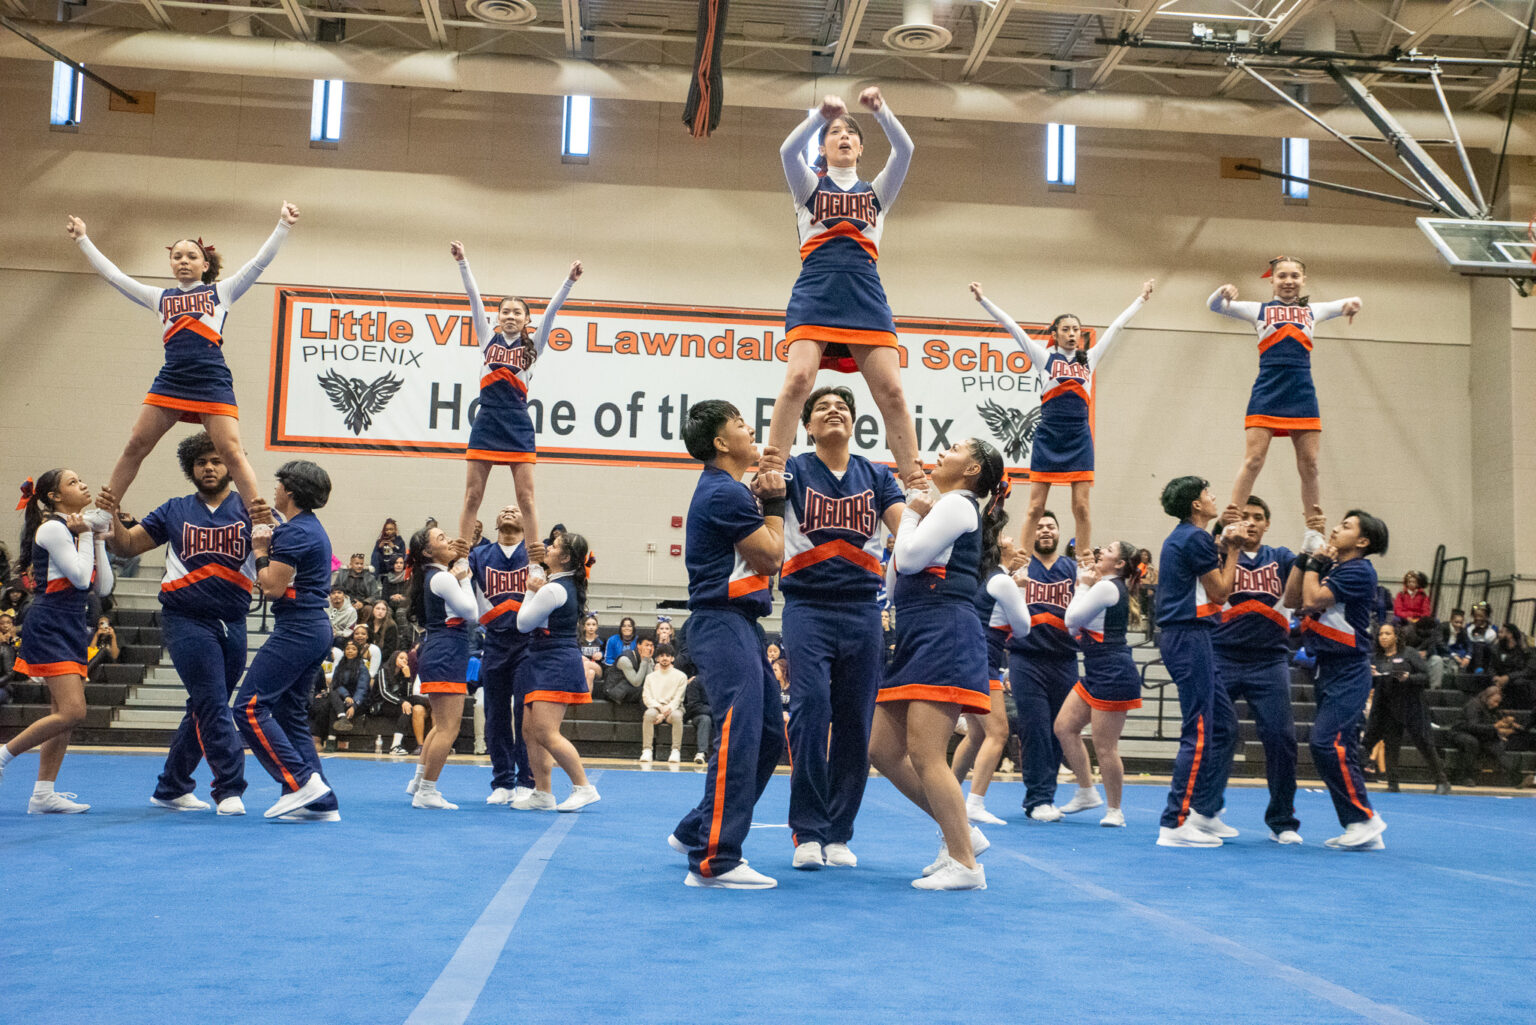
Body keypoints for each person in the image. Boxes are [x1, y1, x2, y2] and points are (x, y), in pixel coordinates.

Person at [65, 203, 299, 511]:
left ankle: (260, 519)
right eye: (177, 257)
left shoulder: (222, 292)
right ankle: (105, 512)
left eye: (191, 256)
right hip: (172, 380)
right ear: (171, 264)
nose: (184, 261)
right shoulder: (159, 298)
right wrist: (83, 239)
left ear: (205, 264)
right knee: (136, 444)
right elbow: (114, 276)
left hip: (211, 380)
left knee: (231, 452)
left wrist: (283, 225)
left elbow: (258, 264)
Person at [760, 87, 924, 499]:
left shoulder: (877, 193)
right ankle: (771, 466)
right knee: (798, 378)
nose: (844, 137)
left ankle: (916, 479)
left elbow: (905, 150)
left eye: (851, 133)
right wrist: (819, 114)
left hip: (865, 293)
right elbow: (785, 151)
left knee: (892, 391)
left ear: (861, 147)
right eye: (834, 133)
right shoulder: (807, 188)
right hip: (816, 289)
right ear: (825, 145)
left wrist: (881, 110)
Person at [870, 438, 1008, 890]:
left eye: (954, 448)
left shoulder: (959, 505)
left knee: (927, 754)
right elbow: (894, 580)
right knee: (883, 751)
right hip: (916, 632)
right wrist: (915, 513)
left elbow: (907, 558)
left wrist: (912, 509)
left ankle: (966, 864)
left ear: (972, 470)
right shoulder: (944, 508)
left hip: (944, 633)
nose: (943, 452)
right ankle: (961, 834)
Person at [780, 386, 907, 871]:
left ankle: (839, 832)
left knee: (856, 720)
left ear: (855, 424)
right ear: (808, 425)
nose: (834, 412)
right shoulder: (792, 470)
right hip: (807, 606)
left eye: (843, 408)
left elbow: (905, 528)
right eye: (822, 409)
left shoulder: (876, 475)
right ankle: (807, 830)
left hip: (861, 608)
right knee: (811, 709)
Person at [96, 432, 252, 815]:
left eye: (217, 460)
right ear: (190, 469)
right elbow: (127, 546)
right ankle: (229, 788)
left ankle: (172, 787)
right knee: (214, 702)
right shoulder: (175, 509)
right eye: (201, 462)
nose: (209, 467)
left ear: (232, 465)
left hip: (233, 618)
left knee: (204, 705)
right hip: (186, 619)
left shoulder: (250, 510)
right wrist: (112, 516)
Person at [668, 400, 786, 889]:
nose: (752, 429)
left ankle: (697, 827)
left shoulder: (732, 491)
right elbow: (772, 556)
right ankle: (714, 859)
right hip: (721, 621)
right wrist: (774, 505)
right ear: (720, 443)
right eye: (741, 424)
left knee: (768, 736)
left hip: (741, 623)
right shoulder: (723, 494)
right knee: (739, 733)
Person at [970, 278, 1153, 560]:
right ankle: (1023, 559)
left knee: (1081, 507)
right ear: (1055, 334)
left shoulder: (1089, 359)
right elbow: (1013, 328)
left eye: (1076, 330)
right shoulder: (1044, 358)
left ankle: (1083, 562)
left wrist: (1140, 299)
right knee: (1035, 507)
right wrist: (983, 300)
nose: (1071, 334)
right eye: (1065, 329)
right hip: (1049, 437)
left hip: (1079, 437)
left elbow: (1116, 328)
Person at [450, 241, 582, 562]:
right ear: (498, 317)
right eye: (505, 311)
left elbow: (552, 312)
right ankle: (461, 560)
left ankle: (536, 564)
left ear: (526, 319)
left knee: (526, 498)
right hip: (487, 420)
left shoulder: (534, 345)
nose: (510, 316)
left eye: (517, 312)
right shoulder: (487, 337)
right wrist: (463, 261)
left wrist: (569, 281)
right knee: (472, 496)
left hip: (518, 422)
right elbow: (473, 299)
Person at [1207, 257, 1362, 520]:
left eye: (1294, 276)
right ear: (1272, 280)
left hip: (1301, 389)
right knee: (1253, 460)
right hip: (1268, 387)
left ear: (1303, 280)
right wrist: (1222, 291)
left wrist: (1352, 305)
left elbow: (1354, 300)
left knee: (1310, 465)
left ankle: (1313, 529)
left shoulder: (1314, 310)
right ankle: (1232, 521)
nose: (1288, 281)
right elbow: (1215, 306)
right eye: (1282, 276)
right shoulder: (1258, 309)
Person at [0, 470, 113, 813]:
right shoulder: (52, 528)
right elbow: (79, 579)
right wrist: (82, 536)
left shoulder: (76, 531)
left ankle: (43, 794)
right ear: (55, 497)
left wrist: (97, 540)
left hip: (70, 625)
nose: (83, 484)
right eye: (73, 482)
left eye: (81, 479)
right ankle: (3, 755)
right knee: (73, 711)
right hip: (49, 624)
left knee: (61, 712)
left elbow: (103, 587)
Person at [234, 460, 341, 821]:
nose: (274, 490)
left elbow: (273, 587)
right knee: (289, 714)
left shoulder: (296, 532)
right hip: (311, 626)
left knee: (247, 707)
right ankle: (321, 801)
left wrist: (261, 549)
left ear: (290, 491)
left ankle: (300, 782)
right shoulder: (307, 528)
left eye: (278, 485)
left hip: (298, 627)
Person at [1153, 476, 1246, 848]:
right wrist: (1234, 549)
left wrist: (1222, 544)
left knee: (1223, 724)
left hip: (1188, 635)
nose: (1214, 498)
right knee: (1202, 729)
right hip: (1190, 635)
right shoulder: (1195, 538)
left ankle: (1205, 814)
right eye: (1208, 493)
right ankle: (1174, 822)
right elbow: (1221, 593)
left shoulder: (1187, 538)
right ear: (1195, 504)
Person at [1209, 495, 1304, 843]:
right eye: (1245, 516)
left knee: (1281, 739)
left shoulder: (1281, 557)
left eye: (1258, 517)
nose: (1251, 522)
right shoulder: (1220, 554)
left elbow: (1309, 572)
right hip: (1222, 655)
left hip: (1270, 660)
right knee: (1218, 733)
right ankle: (1209, 809)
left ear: (1267, 524)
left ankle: (1282, 820)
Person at [1297, 508, 1391, 849]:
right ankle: (1359, 826)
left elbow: (1311, 600)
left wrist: (1313, 564)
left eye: (1346, 526)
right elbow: (1299, 602)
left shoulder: (1358, 570)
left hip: (1349, 669)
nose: (1335, 529)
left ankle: (1364, 817)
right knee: (1343, 748)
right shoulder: (1338, 568)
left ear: (1363, 541)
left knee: (1325, 743)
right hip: (1328, 667)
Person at [1052, 540, 1144, 827]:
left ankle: (1115, 809)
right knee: (1064, 728)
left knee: (1105, 746)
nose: (1101, 550)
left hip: (1113, 672)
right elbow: (1072, 624)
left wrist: (1081, 584)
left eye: (1109, 549)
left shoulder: (1105, 587)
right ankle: (1086, 791)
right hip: (1097, 670)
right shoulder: (1105, 586)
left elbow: (1071, 617)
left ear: (1118, 564)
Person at [513, 530, 599, 811]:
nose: (548, 547)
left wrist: (529, 588)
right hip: (542, 659)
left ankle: (583, 787)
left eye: (554, 546)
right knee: (530, 731)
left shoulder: (553, 588)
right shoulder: (557, 585)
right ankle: (542, 792)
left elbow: (523, 624)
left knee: (547, 732)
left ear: (564, 558)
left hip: (555, 661)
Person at [954, 533, 1031, 827]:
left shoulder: (989, 578)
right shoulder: (1001, 581)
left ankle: (946, 790)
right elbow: (1023, 627)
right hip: (983, 659)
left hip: (974, 656)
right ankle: (975, 802)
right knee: (998, 733)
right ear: (1001, 549)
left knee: (976, 734)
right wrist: (1018, 589)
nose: (1014, 541)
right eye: (1008, 539)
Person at [401, 526, 476, 810]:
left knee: (439, 726)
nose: (449, 540)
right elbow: (471, 613)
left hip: (438, 649)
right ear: (428, 552)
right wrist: (465, 577)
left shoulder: (434, 576)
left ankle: (419, 781)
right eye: (441, 538)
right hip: (446, 652)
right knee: (448, 729)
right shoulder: (443, 577)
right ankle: (428, 791)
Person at [1010, 511, 1078, 822]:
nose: (1046, 530)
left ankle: (1047, 796)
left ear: (1059, 533)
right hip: (1027, 658)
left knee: (1059, 731)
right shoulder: (1021, 569)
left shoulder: (1073, 570)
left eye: (1051, 526)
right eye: (1039, 526)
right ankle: (1037, 798)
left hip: (1064, 659)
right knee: (1034, 728)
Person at [468, 504, 538, 806]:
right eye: (504, 509)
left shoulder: (535, 554)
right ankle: (502, 780)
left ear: (526, 519)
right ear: (495, 522)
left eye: (515, 508)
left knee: (525, 714)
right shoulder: (479, 556)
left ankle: (527, 779)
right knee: (496, 713)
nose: (509, 511)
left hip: (527, 643)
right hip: (494, 642)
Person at [1362, 622, 1452, 795]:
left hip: (1412, 705)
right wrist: (1370, 676)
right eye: (1381, 634)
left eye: (1387, 633)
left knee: (1425, 743)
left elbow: (1425, 677)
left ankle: (1442, 780)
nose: (1383, 637)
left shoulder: (1409, 653)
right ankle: (1393, 783)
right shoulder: (1377, 658)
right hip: (1387, 707)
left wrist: (1408, 678)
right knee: (1391, 745)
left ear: (1396, 636)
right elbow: (1372, 684)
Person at [1447, 686, 1520, 786]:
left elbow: (1491, 725)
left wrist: (1501, 727)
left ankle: (1516, 776)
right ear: (1487, 697)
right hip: (1462, 732)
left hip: (1482, 734)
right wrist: (1495, 726)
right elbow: (1472, 726)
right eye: (1494, 701)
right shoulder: (1474, 705)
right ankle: (1466, 777)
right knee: (1471, 742)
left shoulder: (1492, 709)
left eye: (1498, 702)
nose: (1496, 705)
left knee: (1497, 746)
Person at [641, 643, 689, 764]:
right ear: (657, 658)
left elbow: (678, 699)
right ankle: (647, 750)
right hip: (656, 707)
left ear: (672, 658)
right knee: (648, 714)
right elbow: (646, 697)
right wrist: (659, 707)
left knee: (678, 716)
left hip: (674, 708)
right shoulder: (650, 677)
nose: (664, 658)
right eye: (661, 656)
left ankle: (675, 751)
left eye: (667, 656)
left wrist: (665, 712)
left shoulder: (681, 676)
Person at [610, 637, 654, 705]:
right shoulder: (624, 659)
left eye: (651, 645)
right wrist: (645, 661)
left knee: (652, 691)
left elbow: (651, 681)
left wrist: (647, 660)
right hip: (616, 691)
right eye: (647, 645)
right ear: (638, 645)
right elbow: (636, 683)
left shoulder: (647, 658)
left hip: (631, 688)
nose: (649, 648)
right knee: (646, 693)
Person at [682, 674, 712, 765]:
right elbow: (694, 706)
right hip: (699, 715)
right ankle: (701, 753)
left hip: (719, 714)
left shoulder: (723, 682)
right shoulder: (696, 682)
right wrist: (715, 712)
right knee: (705, 719)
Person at [365, 599, 401, 664]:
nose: (380, 611)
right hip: (367, 657)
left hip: (384, 660)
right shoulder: (368, 624)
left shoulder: (391, 626)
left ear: (386, 611)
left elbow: (390, 649)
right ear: (373, 610)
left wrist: (375, 658)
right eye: (377, 608)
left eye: (383, 609)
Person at [86, 616, 119, 682]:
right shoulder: (95, 637)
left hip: (111, 665)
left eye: (105, 624)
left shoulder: (116, 637)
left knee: (104, 651)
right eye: (101, 624)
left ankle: (85, 671)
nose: (103, 626)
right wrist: (96, 635)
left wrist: (113, 637)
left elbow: (115, 656)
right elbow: (90, 653)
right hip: (96, 666)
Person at [578, 615, 604, 691]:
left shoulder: (602, 640)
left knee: (587, 664)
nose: (591, 627)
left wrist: (602, 654)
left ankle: (578, 690)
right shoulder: (579, 641)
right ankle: (586, 700)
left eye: (593, 624)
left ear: (597, 627)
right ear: (584, 627)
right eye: (588, 624)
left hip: (598, 669)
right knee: (591, 673)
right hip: (582, 669)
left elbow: (607, 655)